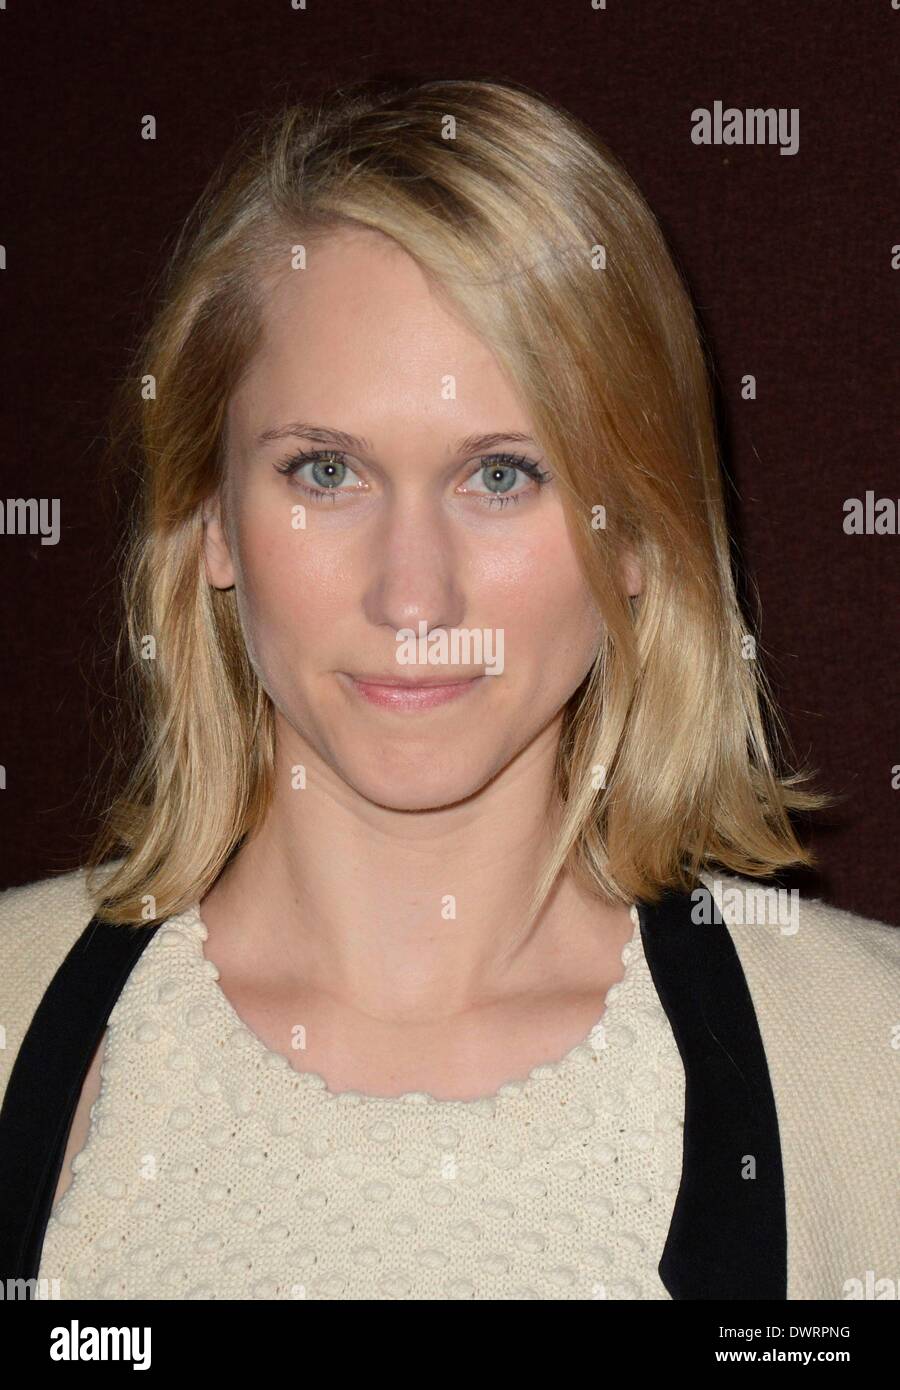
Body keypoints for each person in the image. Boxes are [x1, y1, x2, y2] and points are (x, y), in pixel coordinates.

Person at [0, 77, 896, 1302]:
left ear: (636, 531)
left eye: (503, 476)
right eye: (326, 469)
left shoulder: (870, 1067)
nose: (411, 599)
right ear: (208, 517)